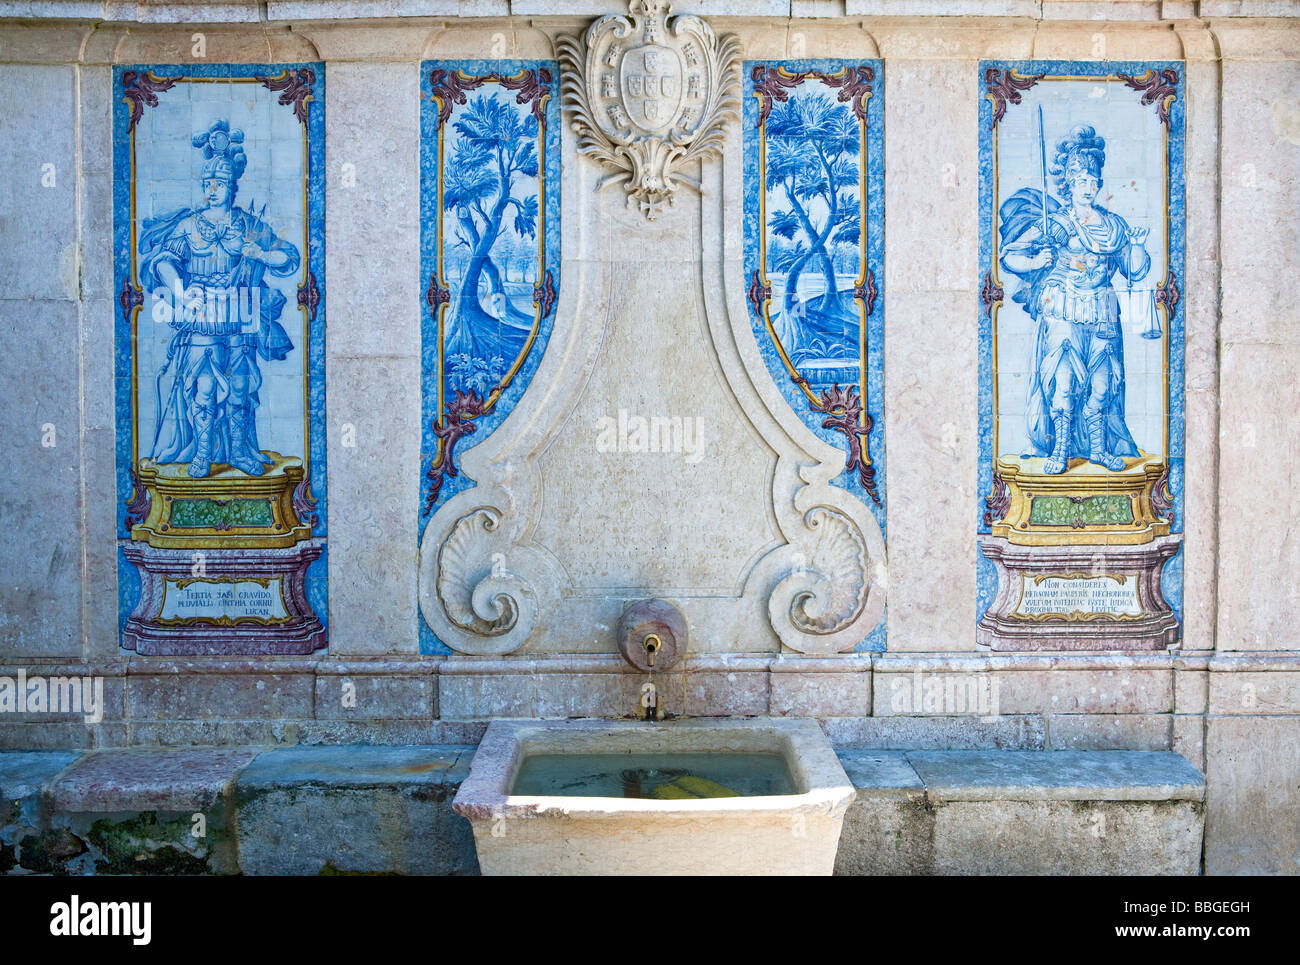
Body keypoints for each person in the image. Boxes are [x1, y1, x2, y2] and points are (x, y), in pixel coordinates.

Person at [139, 120, 300, 478]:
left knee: (241, 386)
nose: (213, 190)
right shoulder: (190, 224)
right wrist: (181, 293)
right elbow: (160, 261)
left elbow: (288, 258)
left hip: (240, 312)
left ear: (233, 186)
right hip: (202, 315)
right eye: (207, 183)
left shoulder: (247, 224)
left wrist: (258, 253)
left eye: (220, 184)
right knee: (204, 388)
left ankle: (241, 452)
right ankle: (203, 453)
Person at [999, 124, 1150, 474]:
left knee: (1102, 385)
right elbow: (1009, 256)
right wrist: (1038, 261)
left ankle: (1098, 449)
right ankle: (1060, 450)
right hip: (1063, 307)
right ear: (1068, 182)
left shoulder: (1112, 225)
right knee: (1063, 384)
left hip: (1101, 310)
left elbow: (1135, 269)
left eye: (1093, 181)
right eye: (1081, 180)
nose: (1089, 187)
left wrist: (1138, 245)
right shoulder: (1058, 222)